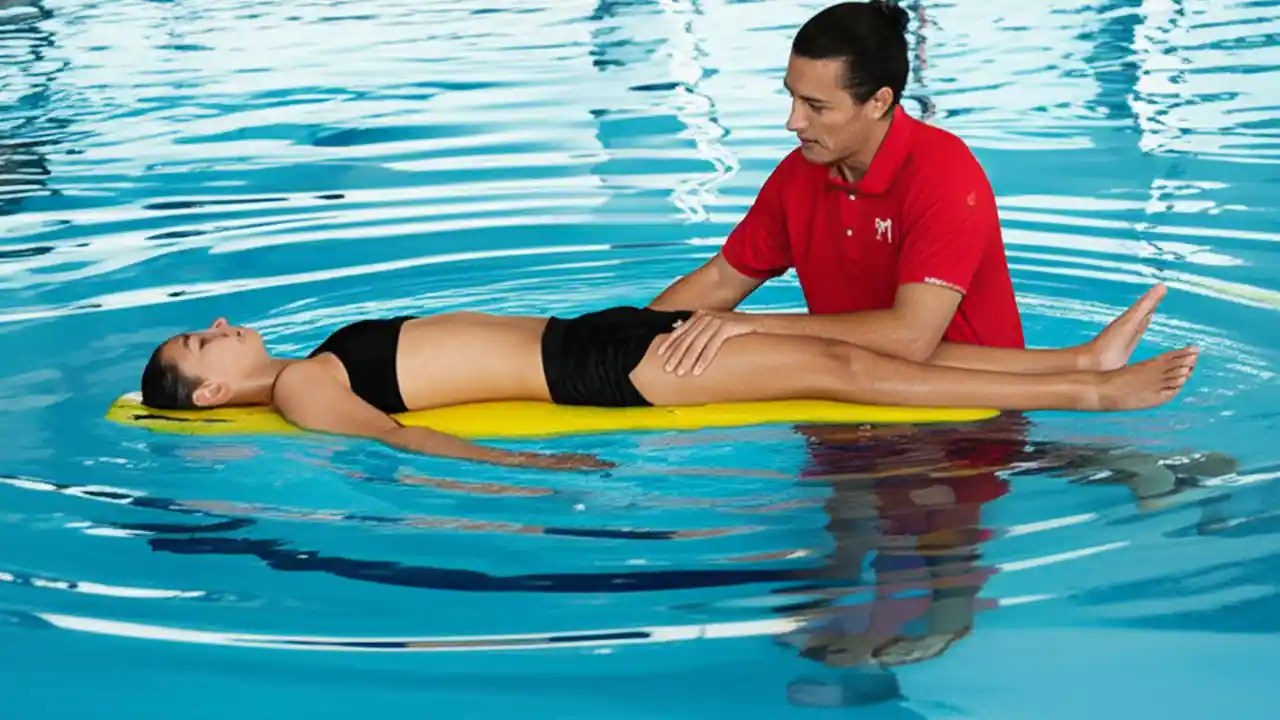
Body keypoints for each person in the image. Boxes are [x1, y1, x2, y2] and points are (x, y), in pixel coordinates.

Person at [137, 284, 1197, 470]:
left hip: (597, 334)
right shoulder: (295, 389)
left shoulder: (310, 350)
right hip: (602, 373)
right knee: (837, 365)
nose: (222, 329)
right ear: (214, 396)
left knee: (852, 340)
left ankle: (1073, 358)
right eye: (202, 345)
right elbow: (390, 440)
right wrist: (519, 482)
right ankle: (1094, 392)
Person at [649, 1, 1026, 376]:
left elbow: (911, 337)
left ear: (878, 102)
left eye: (816, 106)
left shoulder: (944, 173)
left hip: (972, 416)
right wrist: (615, 340)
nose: (793, 121)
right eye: (792, 97)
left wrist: (754, 325)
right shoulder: (799, 176)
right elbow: (720, 280)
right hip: (849, 398)